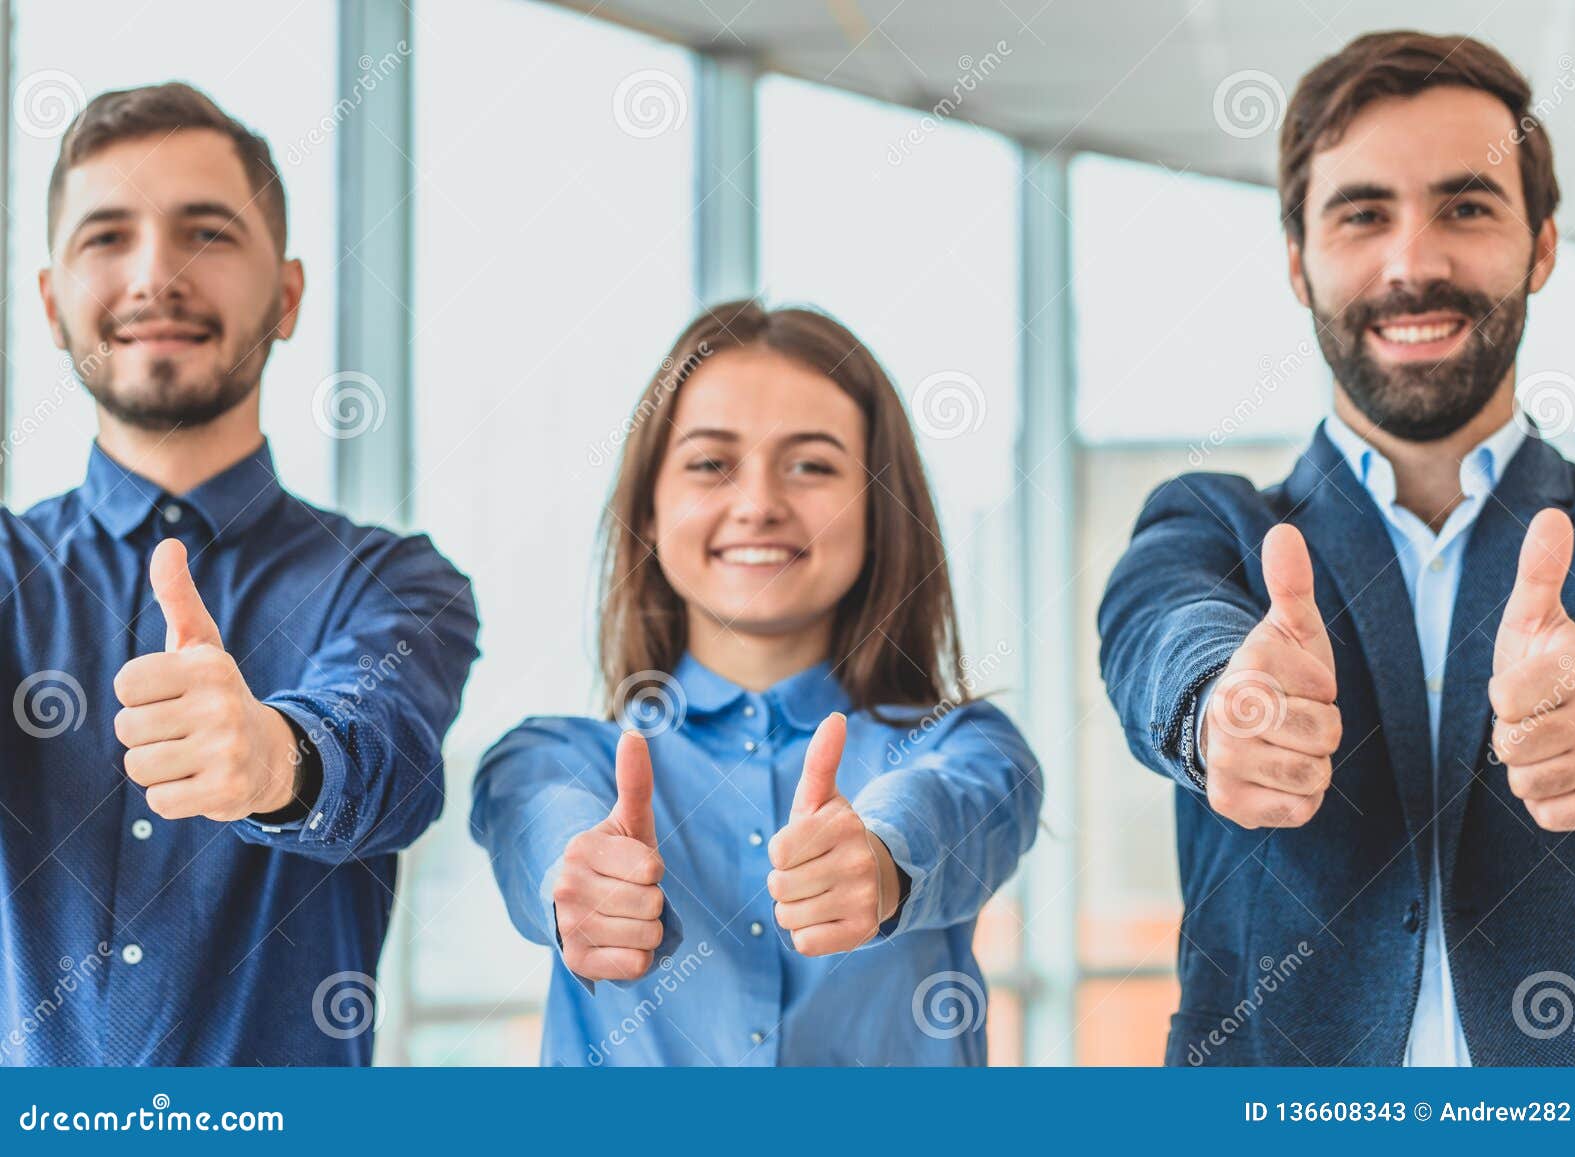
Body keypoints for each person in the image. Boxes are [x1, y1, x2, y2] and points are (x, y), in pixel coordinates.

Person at [1099, 31, 1575, 1066]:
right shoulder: (1215, 525)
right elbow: (1161, 623)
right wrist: (1219, 706)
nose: (1412, 263)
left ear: (1542, 244)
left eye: (1465, 206)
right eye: (1363, 213)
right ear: (1298, 262)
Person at [0, 82, 479, 1065]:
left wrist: (273, 758)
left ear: (288, 295)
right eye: (106, 237)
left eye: (206, 233)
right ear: (52, 305)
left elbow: (386, 756)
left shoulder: (396, 585)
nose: (154, 274)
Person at [472, 301, 1041, 1065]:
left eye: (812, 464)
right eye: (711, 463)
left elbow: (956, 801)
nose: (760, 504)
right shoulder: (553, 758)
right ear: (650, 506)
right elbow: (536, 820)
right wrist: (576, 880)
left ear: (880, 508)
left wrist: (880, 857)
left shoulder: (963, 742)